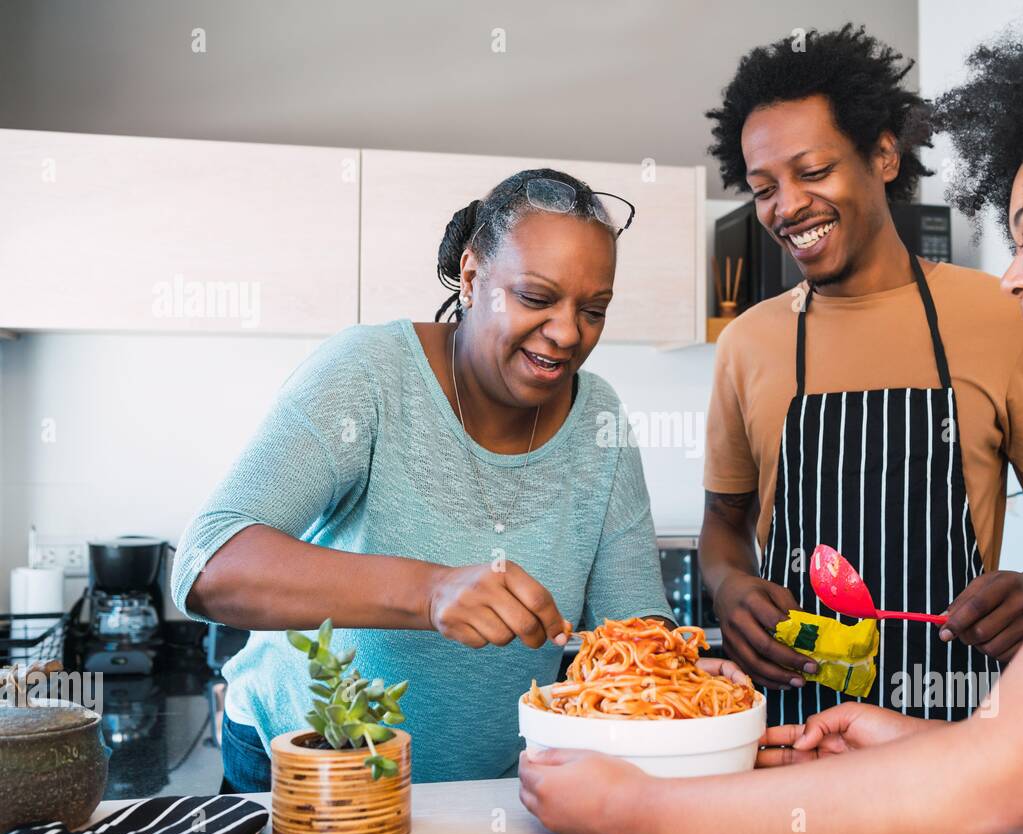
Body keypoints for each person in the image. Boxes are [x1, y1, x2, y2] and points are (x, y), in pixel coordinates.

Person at [519, 0, 1023, 834]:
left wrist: (644, 815)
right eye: (763, 186)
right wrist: (928, 742)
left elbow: (1015, 781)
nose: (1013, 275)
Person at [172, 169, 695, 789]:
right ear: (473, 278)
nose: (567, 333)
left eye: (593, 309)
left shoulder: (599, 418)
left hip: (494, 785)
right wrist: (430, 592)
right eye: (535, 298)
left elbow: (633, 620)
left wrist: (685, 682)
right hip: (308, 762)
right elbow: (207, 568)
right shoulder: (368, 373)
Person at [699, 25, 1023, 729]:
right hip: (792, 735)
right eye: (764, 189)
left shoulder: (999, 317)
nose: (786, 207)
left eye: (812, 172)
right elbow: (723, 526)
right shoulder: (748, 343)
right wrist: (729, 587)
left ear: (883, 154)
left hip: (957, 735)